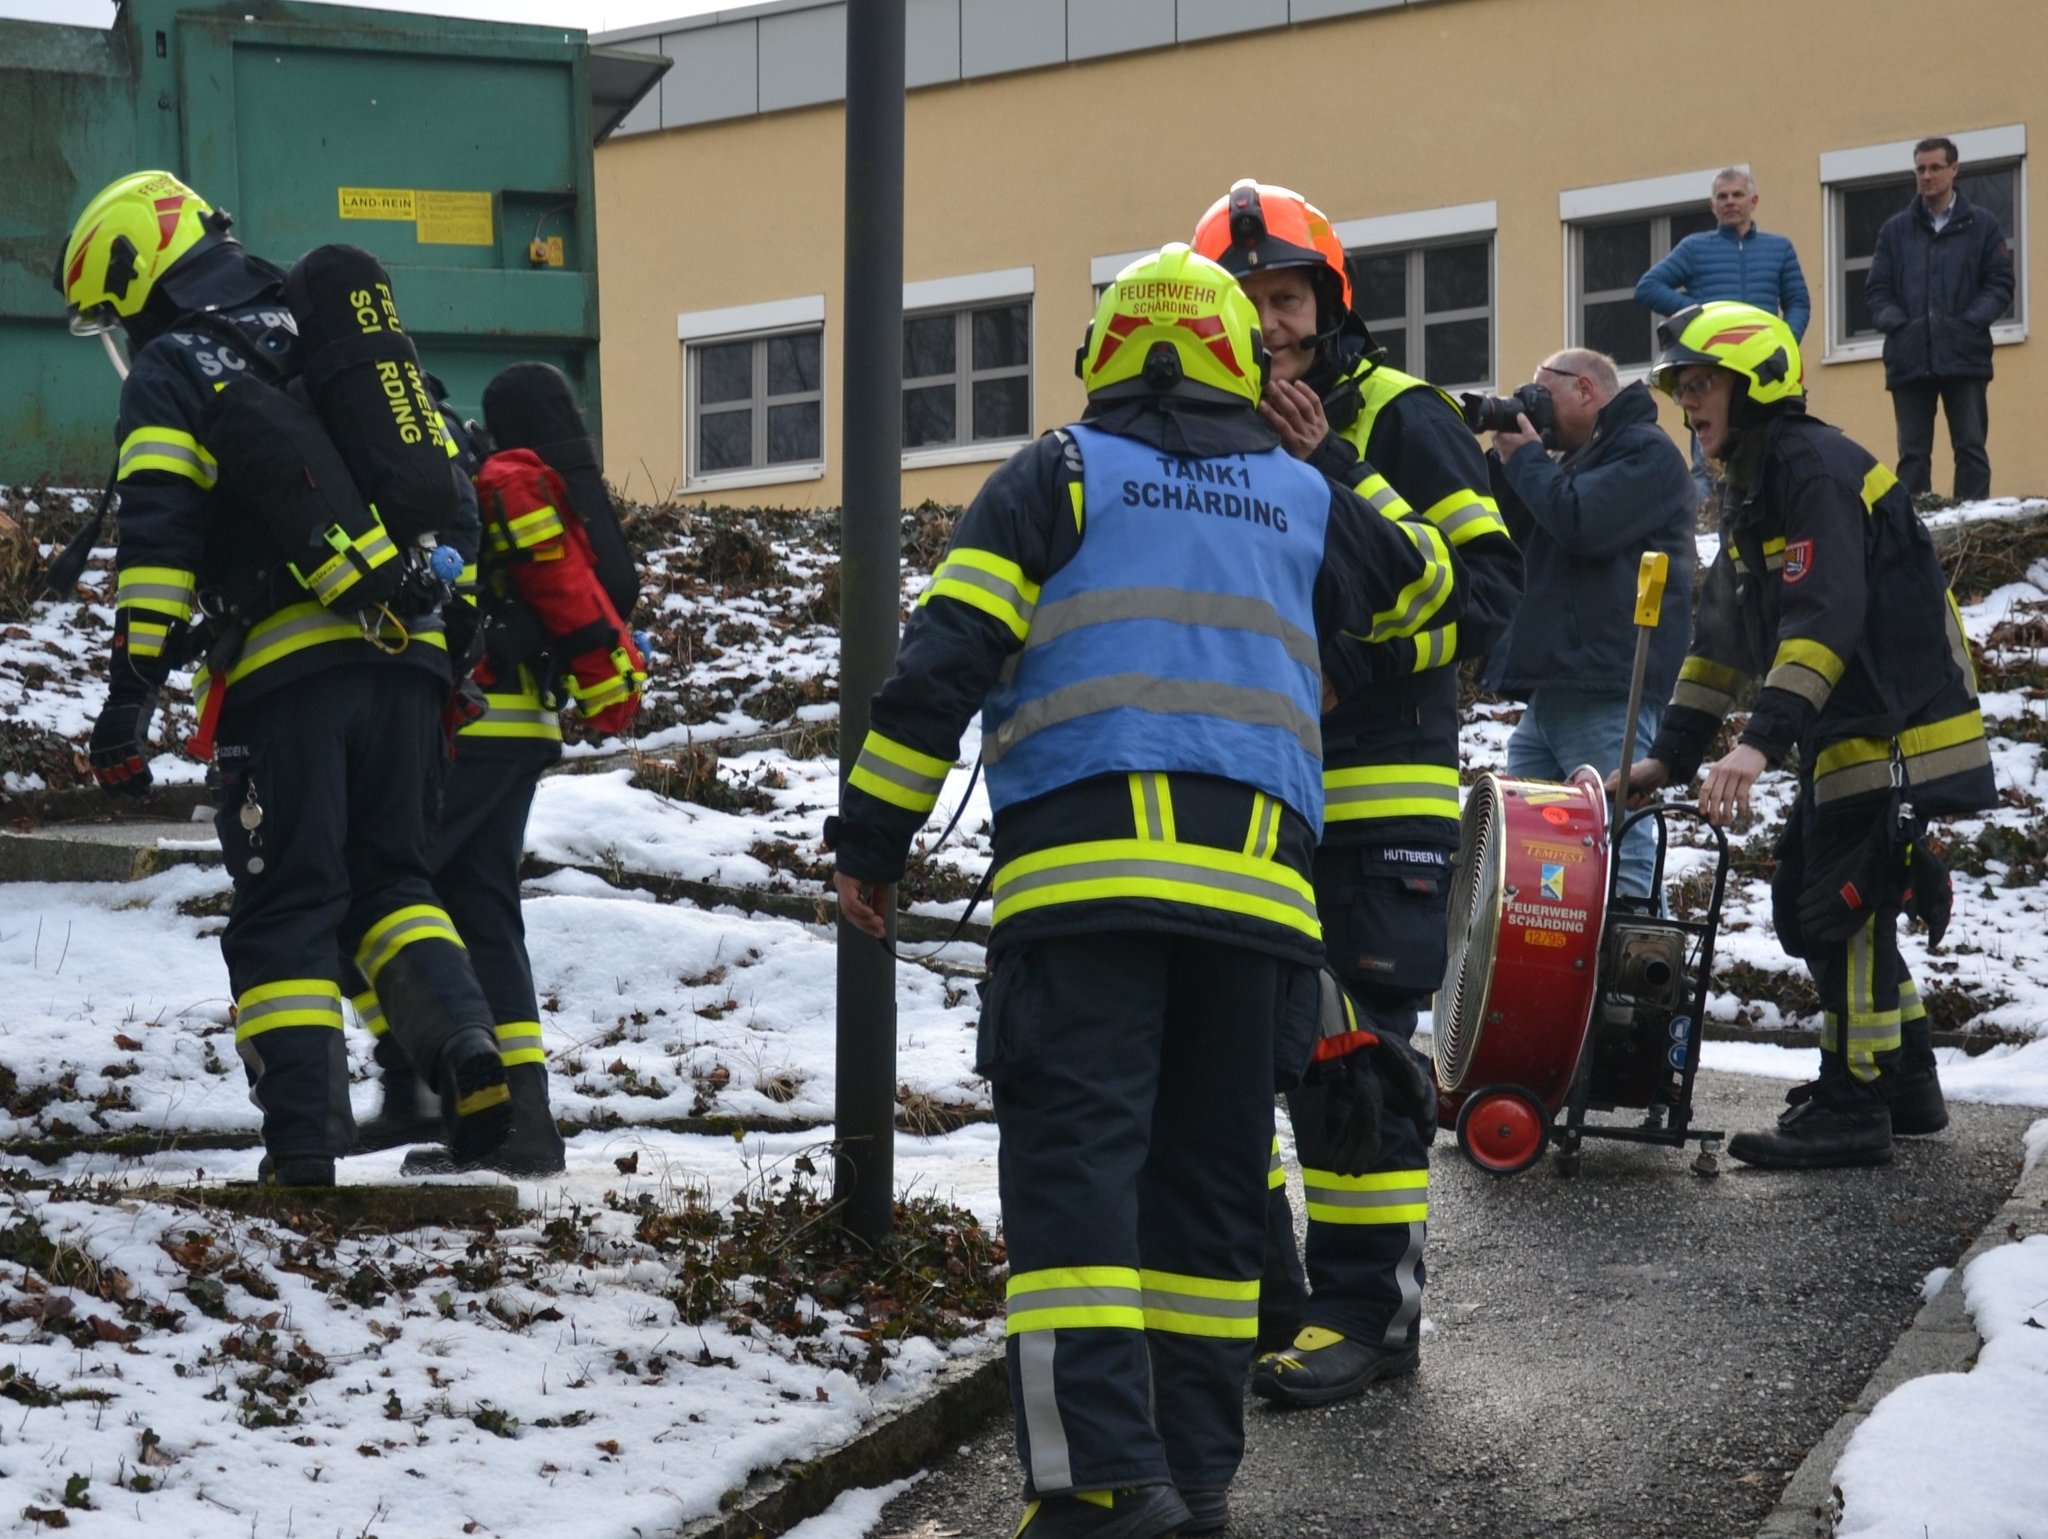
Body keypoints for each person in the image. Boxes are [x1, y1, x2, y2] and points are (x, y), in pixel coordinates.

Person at [829, 244, 1465, 1539]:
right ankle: (1192, 1484)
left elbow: (937, 663)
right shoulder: (1297, 493)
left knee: (1077, 1201)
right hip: (1256, 919)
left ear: (1100, 360)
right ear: (1243, 360)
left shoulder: (1053, 475)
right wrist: (1329, 459)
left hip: (1086, 903)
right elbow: (1425, 580)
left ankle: (1103, 1492)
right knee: (1207, 1201)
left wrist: (872, 842)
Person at [58, 170, 512, 1186]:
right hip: (412, 660)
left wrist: (129, 694)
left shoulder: (180, 363)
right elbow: (444, 470)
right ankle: (466, 1052)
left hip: (286, 676)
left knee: (287, 903)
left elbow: (159, 538)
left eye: (115, 313)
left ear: (142, 269)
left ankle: (302, 1151)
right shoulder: (339, 337)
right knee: (391, 881)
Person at [1190, 179, 1522, 1409]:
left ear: (1326, 309)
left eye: (1283, 298)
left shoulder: (1398, 418)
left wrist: (1349, 668)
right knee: (1245, 1051)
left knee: (1355, 1060)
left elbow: (1488, 603)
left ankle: (1367, 1316)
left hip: (1375, 797)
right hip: (1249, 794)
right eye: (1242, 300)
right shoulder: (1202, 426)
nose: (1266, 325)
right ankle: (1272, 1300)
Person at [1617, 300, 1994, 1169]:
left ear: (1753, 384)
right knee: (1816, 902)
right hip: (1854, 728)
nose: (1688, 402)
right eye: (1683, 387)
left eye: (1703, 383)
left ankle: (1854, 1102)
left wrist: (1758, 744)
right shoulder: (1755, 484)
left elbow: (1824, 618)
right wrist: (1668, 758)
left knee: (1839, 913)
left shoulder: (1810, 470)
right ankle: (1904, 1084)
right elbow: (1721, 646)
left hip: (1895, 728)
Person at [355, 367, 648, 1179]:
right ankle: (524, 1124)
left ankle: (423, 1085)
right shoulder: (495, 477)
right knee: (481, 917)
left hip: (473, 727)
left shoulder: (457, 479)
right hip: (523, 728)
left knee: (381, 895)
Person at [1484, 348, 1696, 900]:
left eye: (1541, 393)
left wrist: (1528, 459)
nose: (1534, 408)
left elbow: (1583, 524)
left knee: (1617, 832)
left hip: (1606, 680)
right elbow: (1513, 531)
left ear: (1585, 389)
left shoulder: (1645, 453)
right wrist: (1507, 462)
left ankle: (1635, 960)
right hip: (1560, 682)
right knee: (1531, 840)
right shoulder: (1574, 461)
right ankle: (1548, 957)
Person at [1635, 168, 1811, 508]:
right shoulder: (1695, 248)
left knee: (1774, 439)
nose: (1730, 202)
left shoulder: (1779, 248)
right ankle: (1705, 520)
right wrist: (1699, 314)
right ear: (1712, 206)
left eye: (1737, 195)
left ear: (1754, 201)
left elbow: (1799, 302)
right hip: (1711, 365)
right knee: (1707, 457)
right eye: (1722, 197)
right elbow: (1648, 287)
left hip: (1762, 369)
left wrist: (1784, 344)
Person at [1865, 136, 2015, 502]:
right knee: (1913, 456)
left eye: (1934, 168)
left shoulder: (1982, 225)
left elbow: (1999, 284)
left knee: (1971, 448)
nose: (1927, 176)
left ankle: (1973, 521)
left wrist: (1968, 324)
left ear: (1954, 170)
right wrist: (1900, 326)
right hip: (1909, 358)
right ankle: (1915, 529)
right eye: (1920, 169)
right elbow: (1876, 291)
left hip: (1965, 355)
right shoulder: (1895, 230)